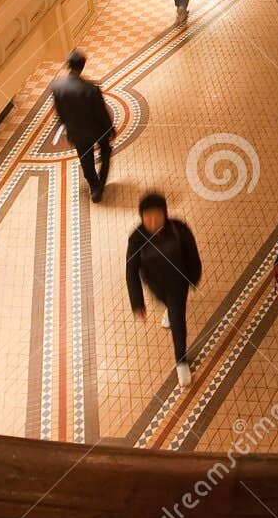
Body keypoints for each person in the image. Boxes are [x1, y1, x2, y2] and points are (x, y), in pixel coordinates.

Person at [126, 192, 203, 387]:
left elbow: (192, 255)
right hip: (155, 285)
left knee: (178, 320)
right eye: (147, 216)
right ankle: (169, 308)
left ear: (165, 213)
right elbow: (131, 270)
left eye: (157, 215)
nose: (152, 221)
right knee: (170, 306)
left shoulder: (179, 229)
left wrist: (193, 277)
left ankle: (181, 361)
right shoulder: (136, 238)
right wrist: (137, 302)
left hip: (178, 283)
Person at [48, 50, 116, 202]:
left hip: (76, 131)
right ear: (82, 66)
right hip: (96, 130)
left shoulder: (57, 86)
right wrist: (110, 129)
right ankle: (100, 183)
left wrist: (66, 126)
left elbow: (59, 112)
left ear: (68, 66)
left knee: (85, 160)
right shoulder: (90, 89)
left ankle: (94, 186)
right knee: (105, 152)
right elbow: (101, 112)